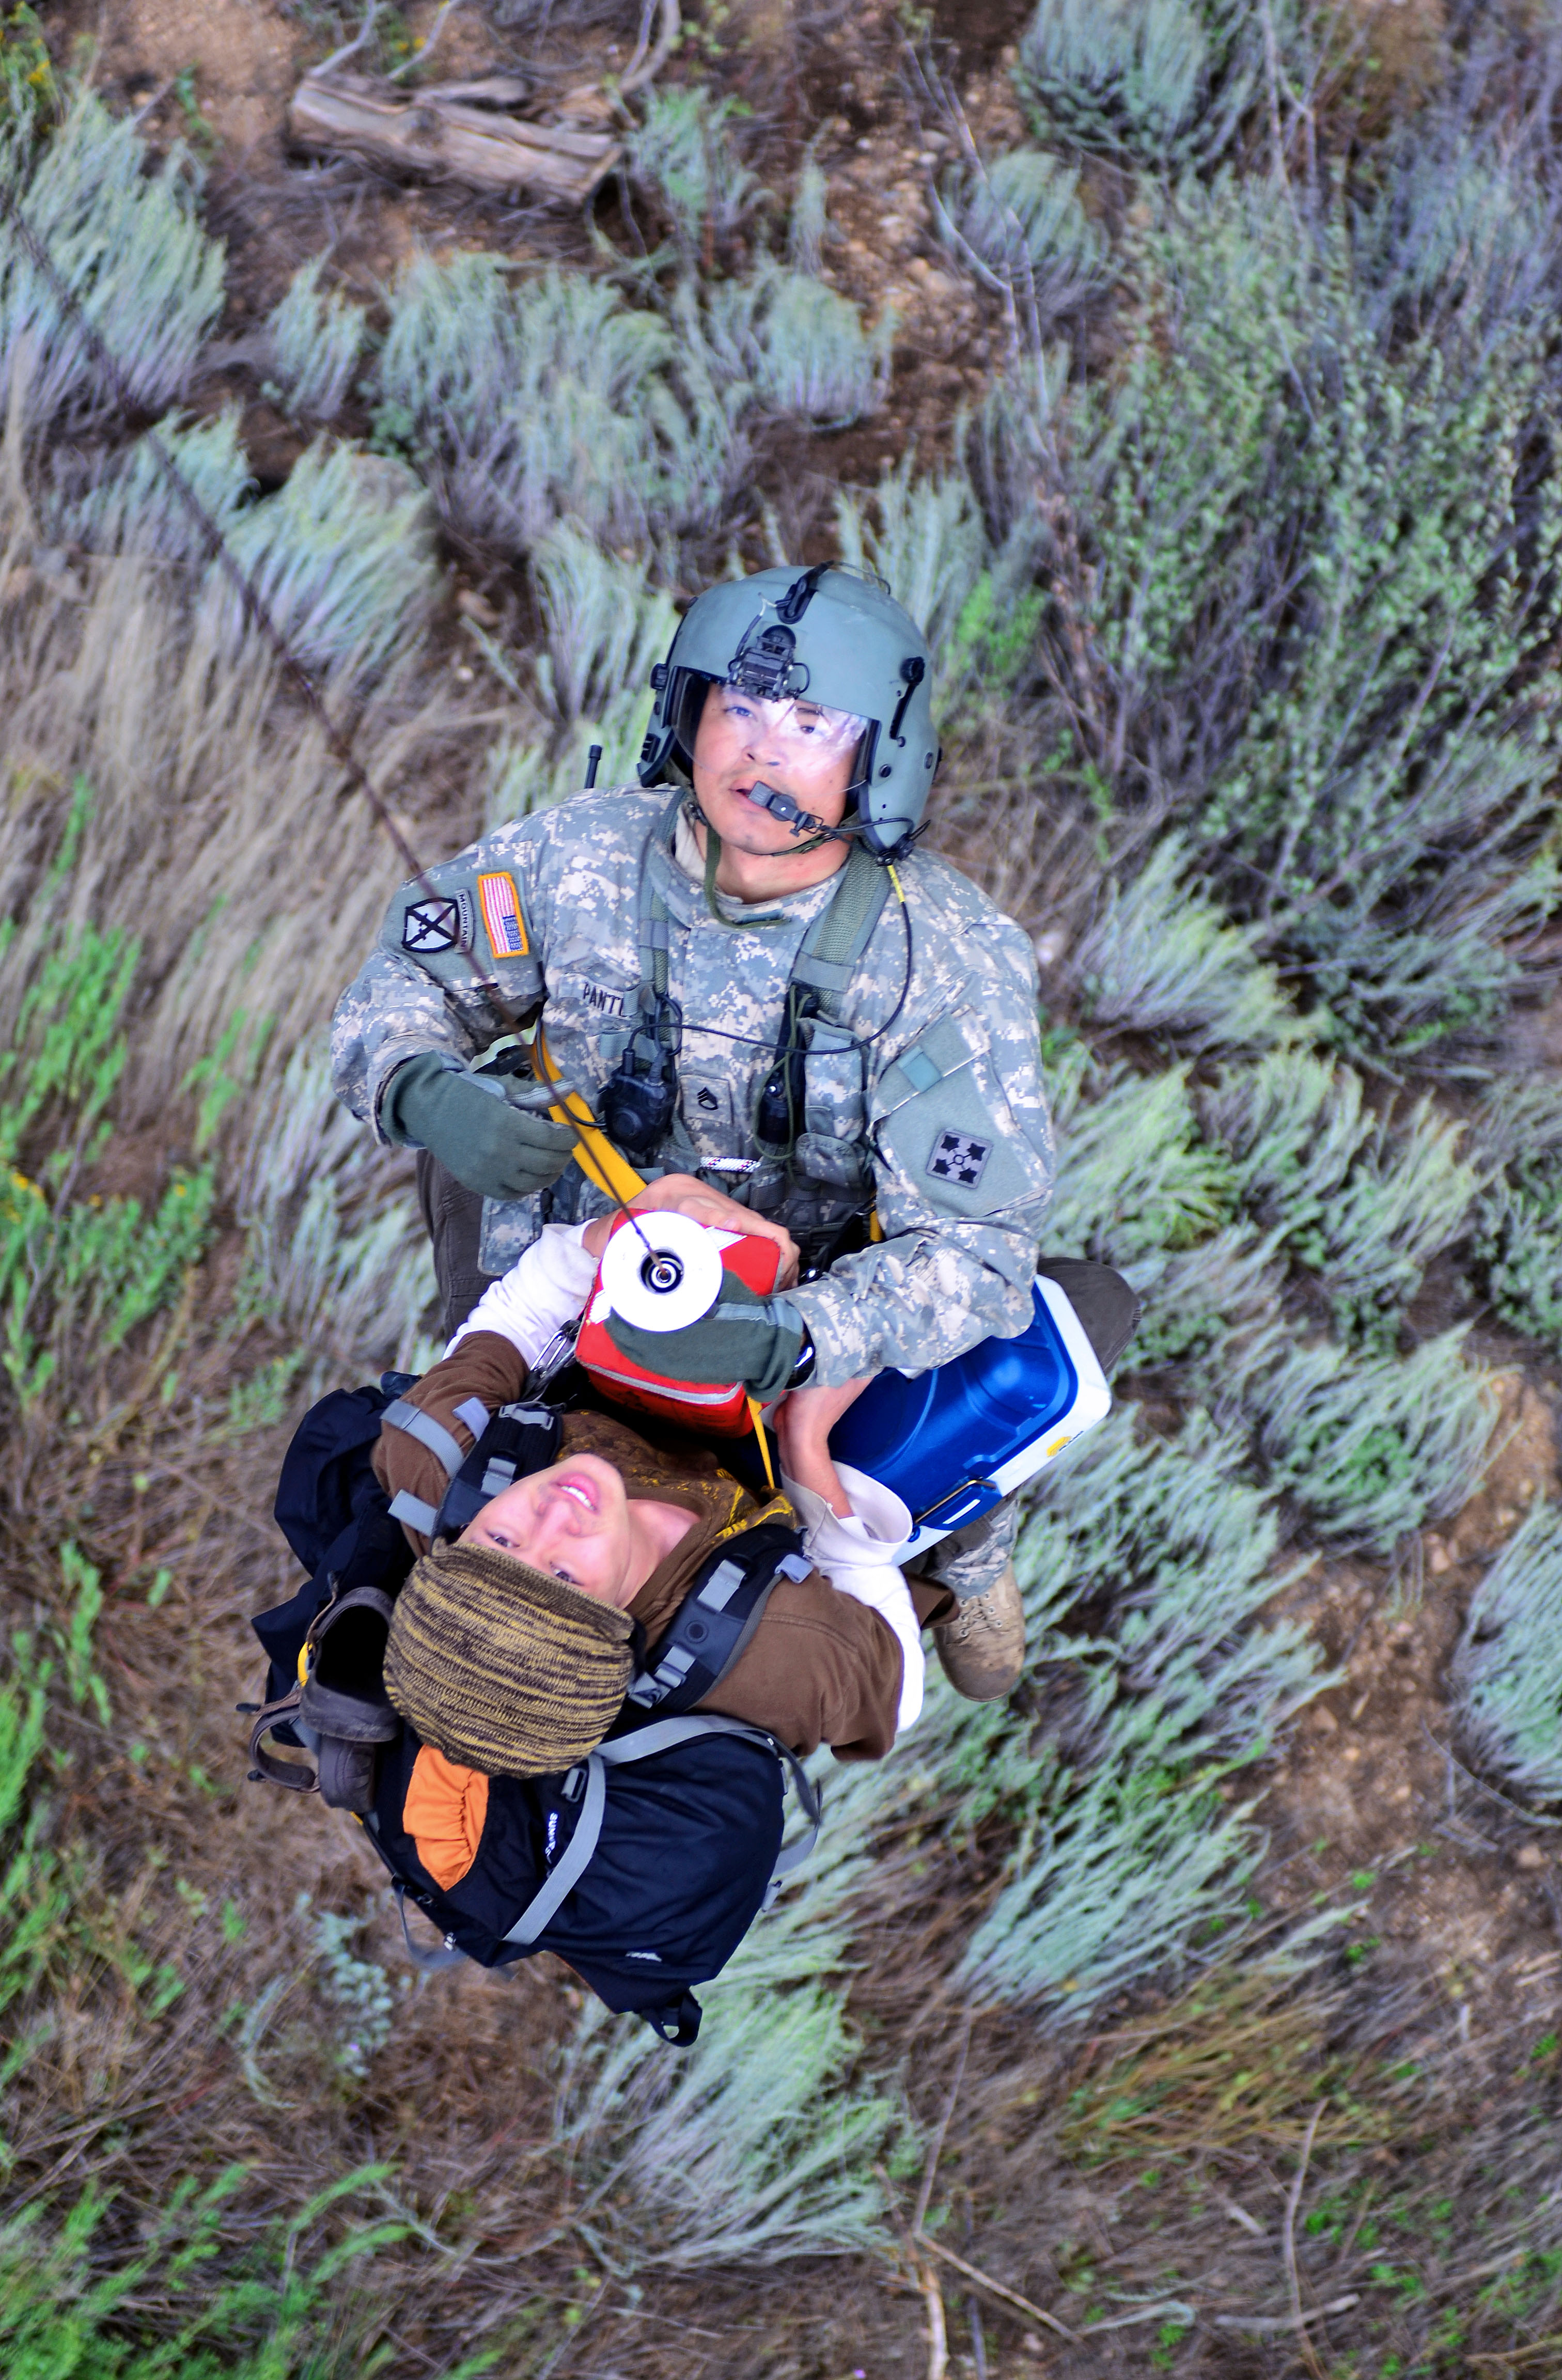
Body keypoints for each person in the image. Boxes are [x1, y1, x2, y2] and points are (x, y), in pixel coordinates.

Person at [333, 562, 1056, 1701]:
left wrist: (798, 1337)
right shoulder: (581, 855)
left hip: (801, 1308)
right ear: (687, 713)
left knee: (924, 1445)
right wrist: (423, 1090)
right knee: (475, 1475)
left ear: (880, 757)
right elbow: (408, 978)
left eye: (812, 723)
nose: (760, 753)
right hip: (582, 1256)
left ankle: (965, 1552)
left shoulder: (943, 958)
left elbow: (981, 1255)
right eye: (740, 707)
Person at [370, 1195, 951, 1797]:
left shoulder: (436, 1456)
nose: (555, 1515)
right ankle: (977, 1562)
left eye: (500, 1538)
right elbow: (899, 1692)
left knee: (482, 1196)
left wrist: (616, 1235)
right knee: (1017, 1345)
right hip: (779, 1470)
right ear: (617, 1625)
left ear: (456, 1537)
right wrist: (808, 1445)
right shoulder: (776, 1650)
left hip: (588, 1383)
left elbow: (521, 1308)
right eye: (565, 1575)